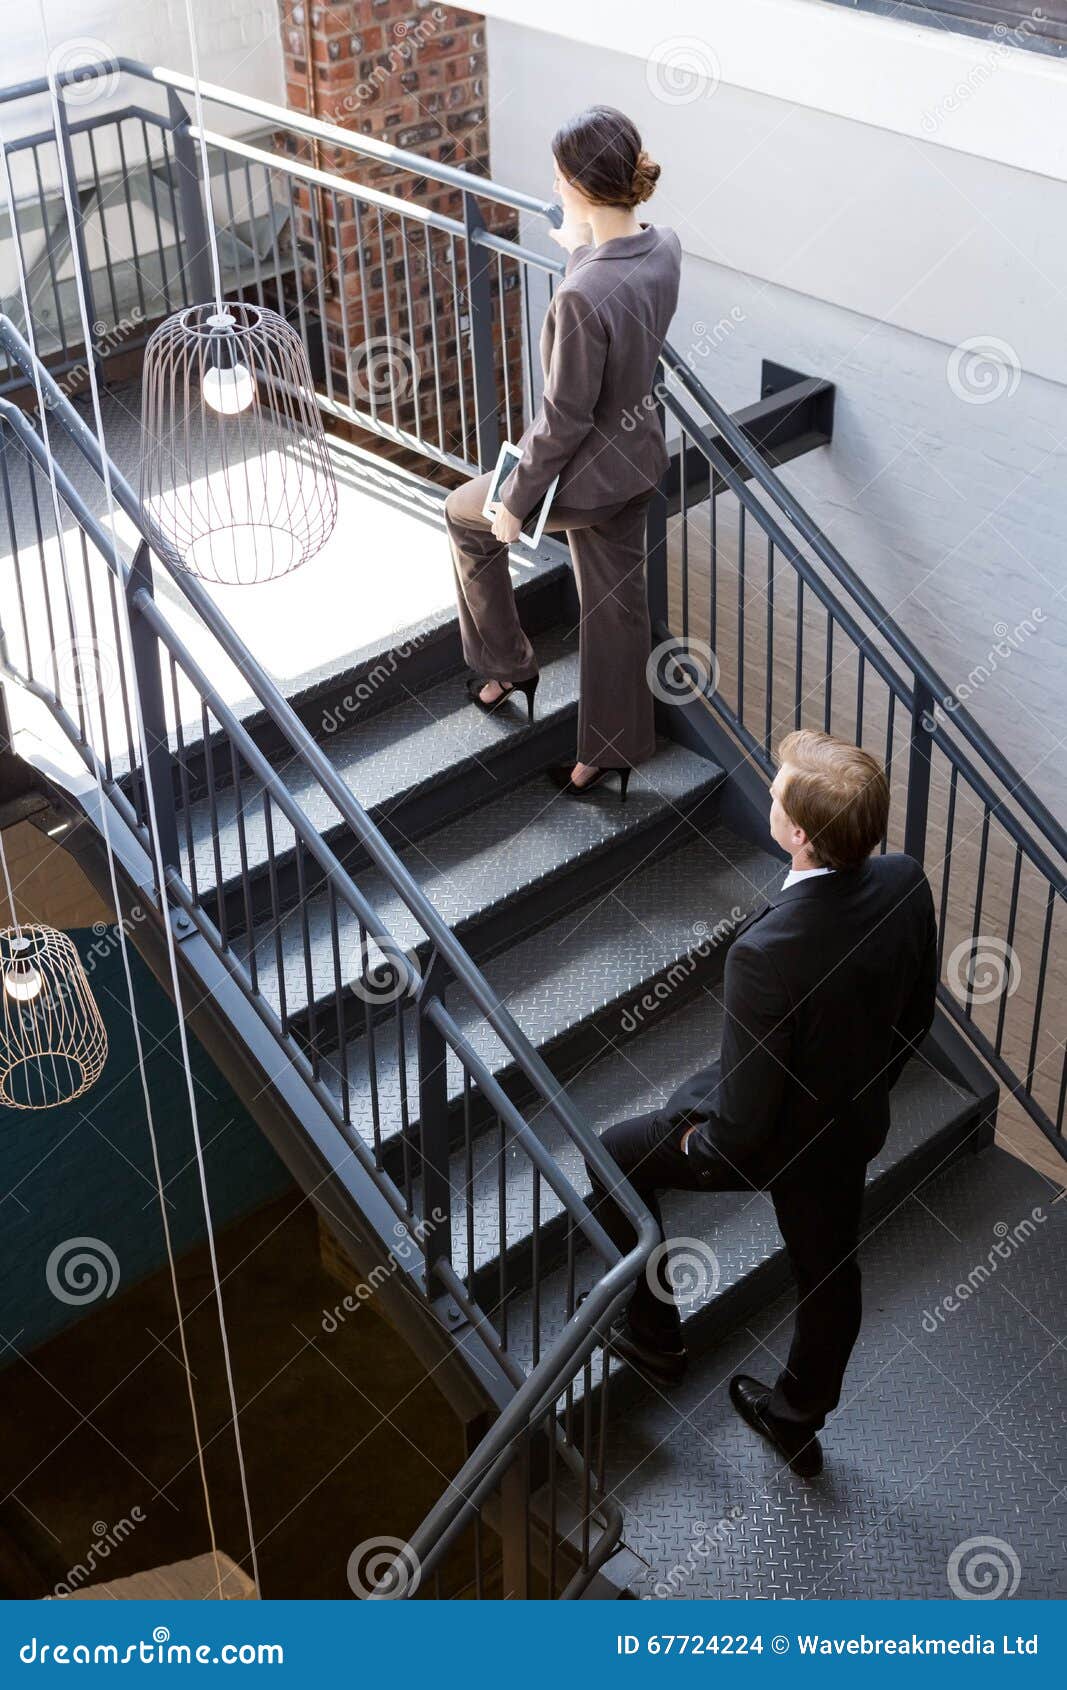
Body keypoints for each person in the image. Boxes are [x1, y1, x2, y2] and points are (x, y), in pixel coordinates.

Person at [585, 729, 938, 1478]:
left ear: (799, 836)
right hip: (845, 1131)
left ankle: (654, 1336)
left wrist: (690, 1146)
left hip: (772, 1139)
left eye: (776, 794)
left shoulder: (766, 952)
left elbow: (740, 1134)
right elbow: (914, 1020)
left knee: (612, 1154)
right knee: (828, 1274)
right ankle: (794, 1419)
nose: (770, 795)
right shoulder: (905, 880)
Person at [444, 105, 681, 799]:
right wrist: (579, 244)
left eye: (557, 179)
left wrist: (514, 504)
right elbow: (619, 280)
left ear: (579, 186)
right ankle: (610, 751)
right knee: (616, 608)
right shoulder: (664, 245)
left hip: (583, 478)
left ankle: (505, 666)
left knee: (464, 517)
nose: (553, 187)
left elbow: (562, 420)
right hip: (639, 461)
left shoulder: (579, 297)